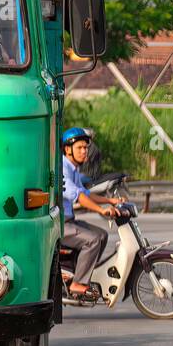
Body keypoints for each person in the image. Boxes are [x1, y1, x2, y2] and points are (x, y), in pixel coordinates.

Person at [60, 127, 124, 297]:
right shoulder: (62, 168)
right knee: (93, 240)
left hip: (68, 220)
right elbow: (78, 196)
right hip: (58, 225)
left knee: (102, 235)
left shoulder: (73, 169)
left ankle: (82, 272)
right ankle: (78, 283)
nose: (84, 152)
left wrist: (110, 200)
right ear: (67, 149)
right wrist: (101, 211)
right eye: (80, 148)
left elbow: (87, 193)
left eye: (86, 148)